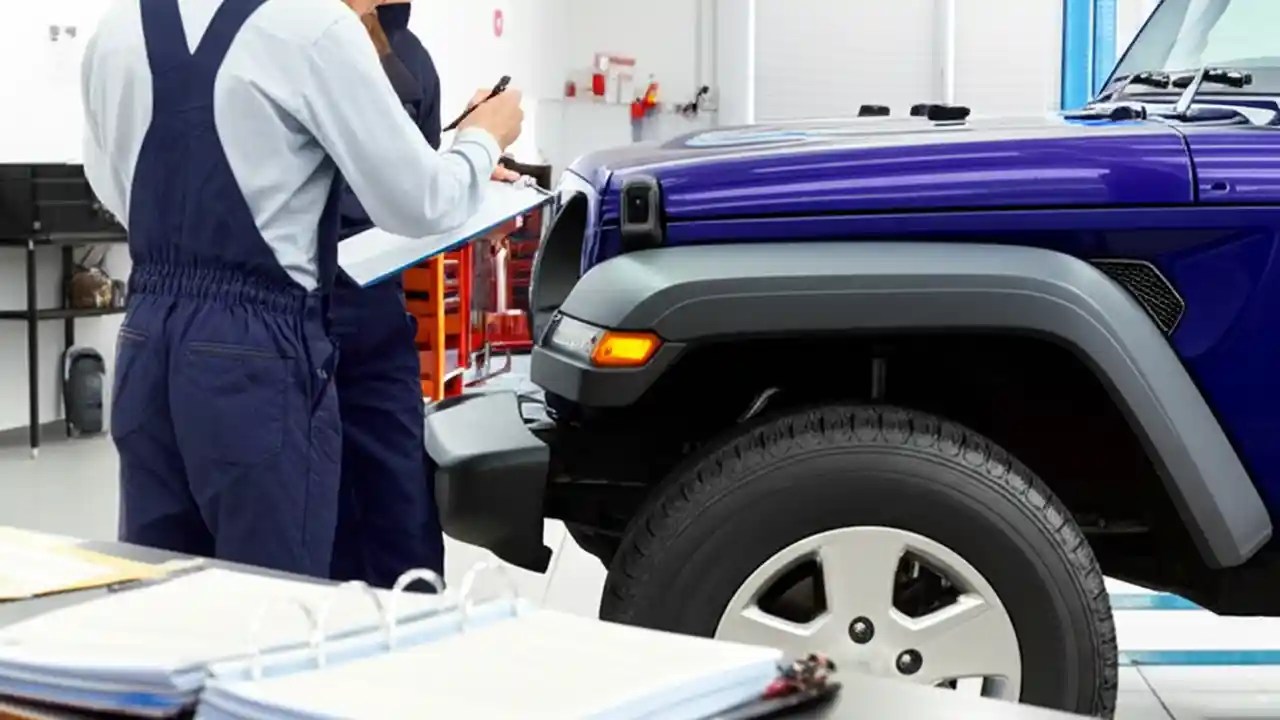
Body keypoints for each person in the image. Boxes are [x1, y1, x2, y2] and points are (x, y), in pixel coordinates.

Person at [81, 0, 523, 577]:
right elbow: (422, 202)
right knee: (276, 592)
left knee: (158, 582)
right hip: (258, 346)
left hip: (146, 333)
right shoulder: (314, 27)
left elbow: (108, 186)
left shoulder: (117, 29)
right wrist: (483, 139)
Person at [329, 1, 479, 586]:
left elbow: (419, 186)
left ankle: (412, 621)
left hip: (377, 314)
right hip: (294, 310)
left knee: (400, 499)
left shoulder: (412, 60)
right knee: (316, 506)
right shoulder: (295, 43)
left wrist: (471, 176)